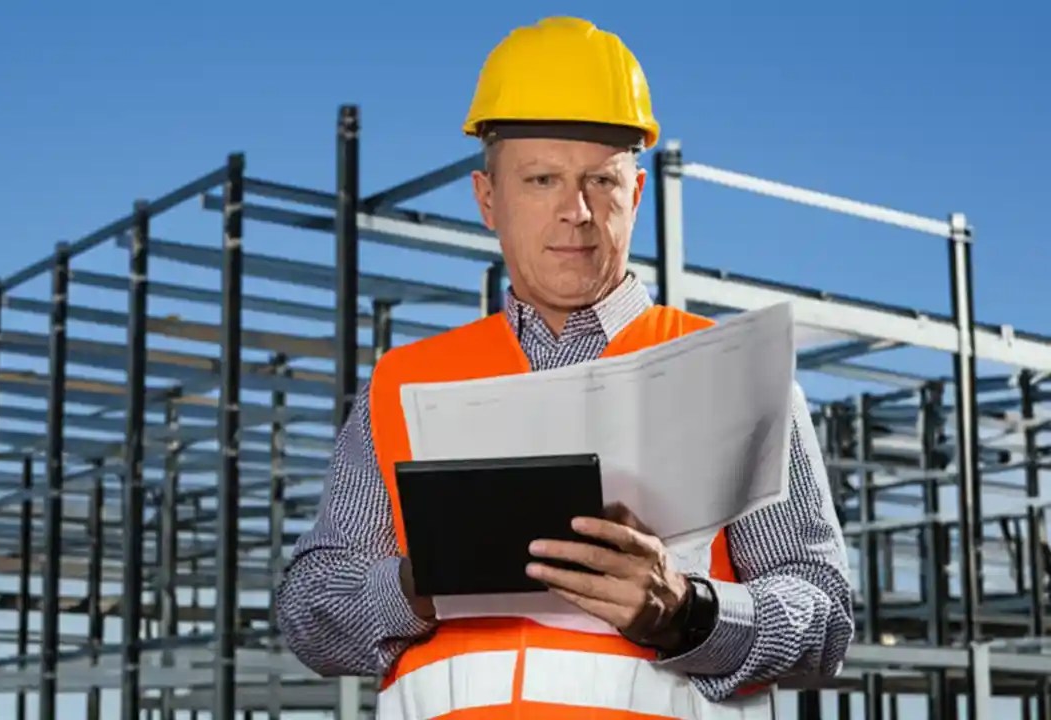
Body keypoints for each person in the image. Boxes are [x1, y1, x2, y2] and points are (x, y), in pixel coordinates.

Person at [277, 15, 854, 719]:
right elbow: (309, 611)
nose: (575, 212)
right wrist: (416, 584)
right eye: (542, 179)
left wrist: (689, 613)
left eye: (600, 182)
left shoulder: (734, 373)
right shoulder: (406, 384)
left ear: (636, 194)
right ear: (488, 199)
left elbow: (824, 620)